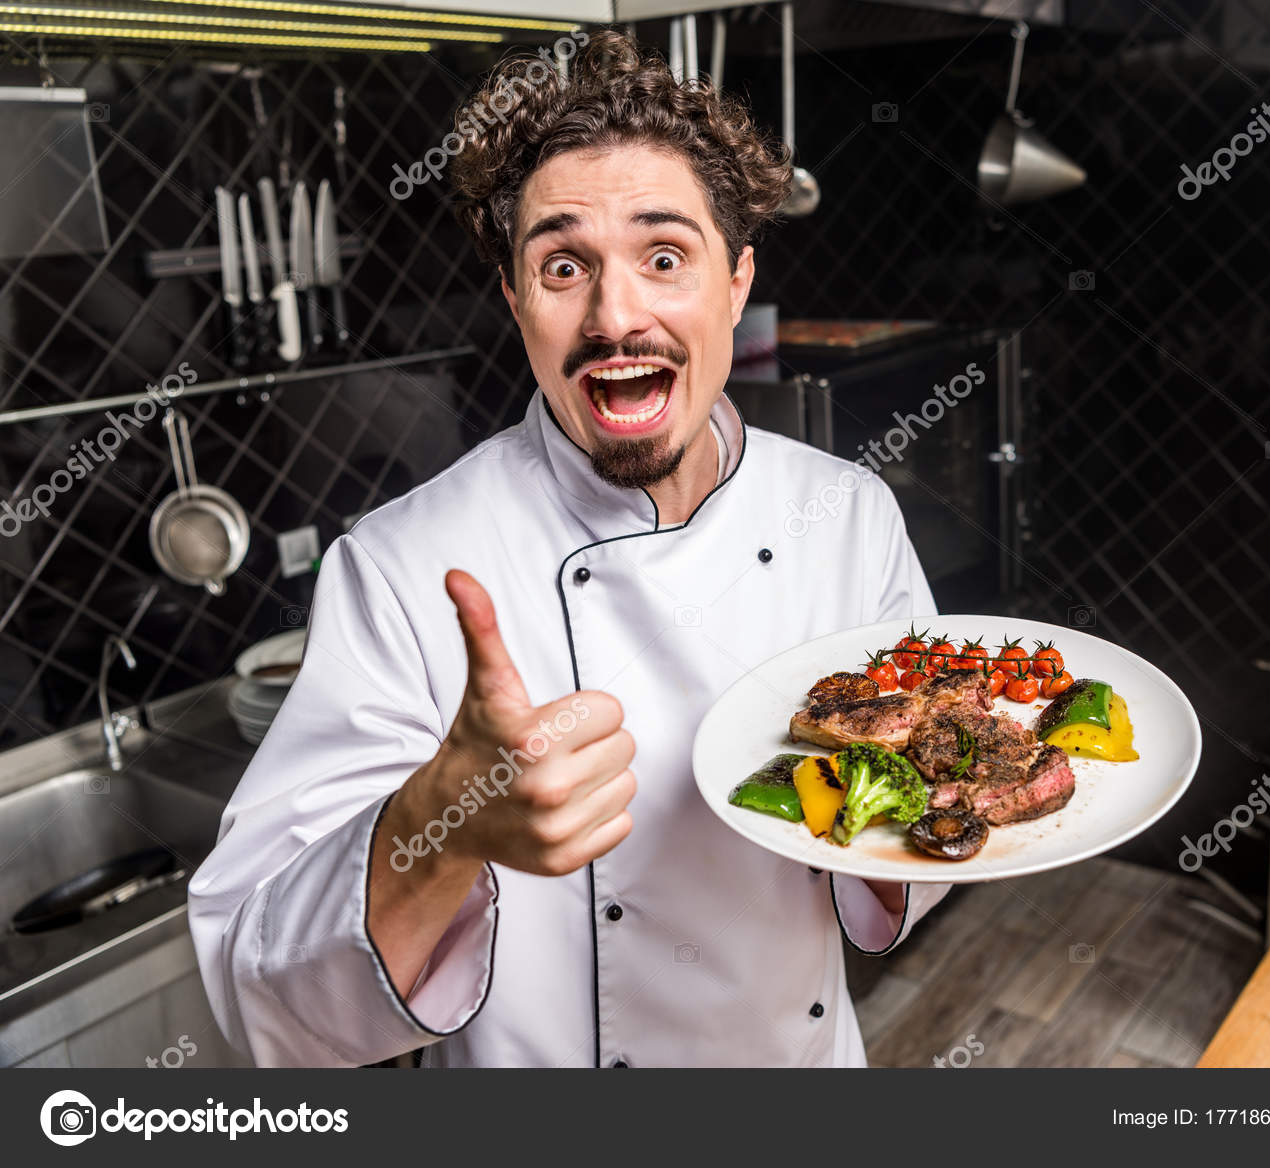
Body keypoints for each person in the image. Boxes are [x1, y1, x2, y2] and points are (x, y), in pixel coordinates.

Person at [187, 29, 951, 1068]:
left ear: (737, 280)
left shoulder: (847, 514)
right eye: (562, 265)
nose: (615, 316)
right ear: (514, 300)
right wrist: (444, 823)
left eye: (666, 256)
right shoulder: (404, 565)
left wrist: (918, 773)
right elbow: (253, 990)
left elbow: (925, 850)